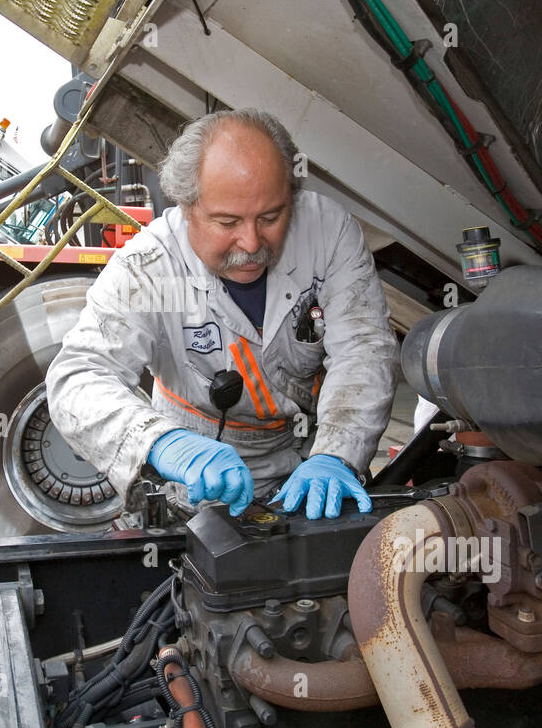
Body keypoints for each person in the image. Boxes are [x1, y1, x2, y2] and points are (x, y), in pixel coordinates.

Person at [44, 108, 398, 519]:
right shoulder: (150, 266)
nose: (250, 243)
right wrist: (161, 443)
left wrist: (337, 455)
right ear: (186, 207)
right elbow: (78, 376)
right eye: (227, 221)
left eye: (270, 217)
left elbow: (364, 347)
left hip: (309, 470)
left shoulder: (327, 232)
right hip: (199, 491)